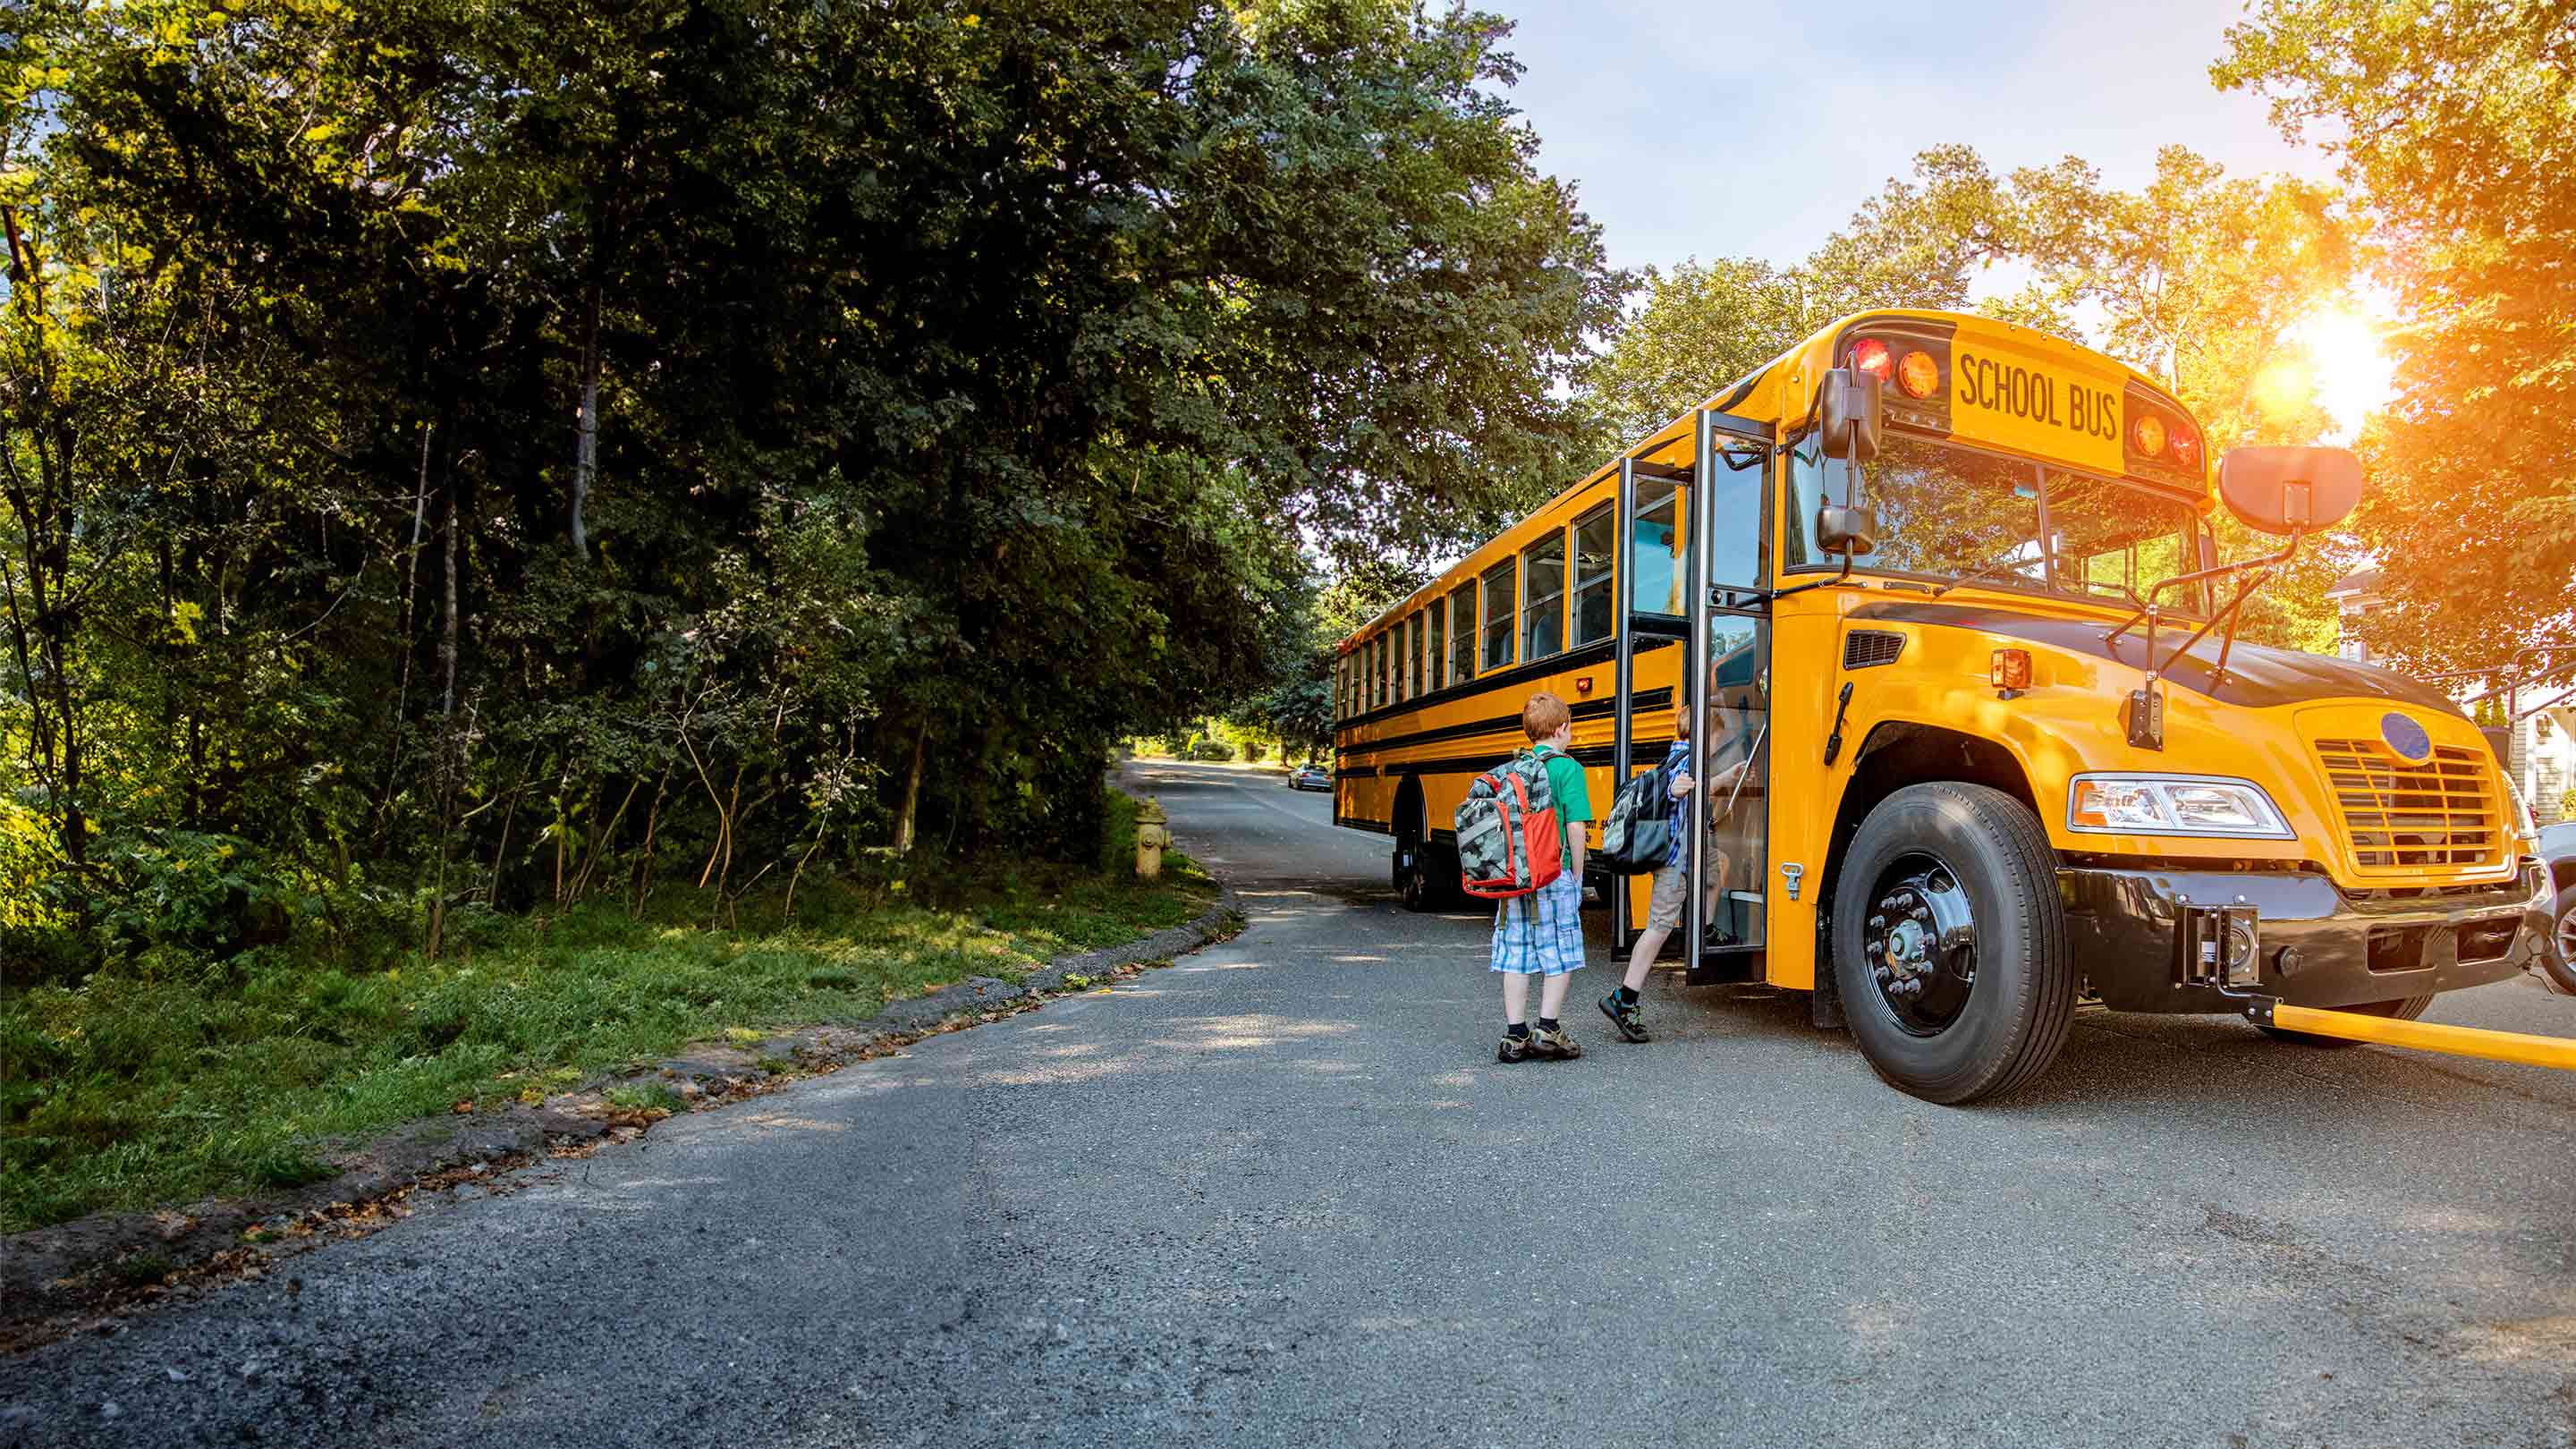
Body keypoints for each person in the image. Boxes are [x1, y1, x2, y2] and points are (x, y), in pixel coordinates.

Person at [1597, 706, 1748, 1044]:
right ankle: (1625, 998)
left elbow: (1696, 787)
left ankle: (1706, 929)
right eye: (1717, 737)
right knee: (1658, 928)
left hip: (1690, 852)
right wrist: (1678, 790)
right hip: (1675, 861)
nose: (1718, 744)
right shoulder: (1687, 764)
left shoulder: (1676, 757)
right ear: (1704, 735)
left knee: (1715, 868)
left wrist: (1724, 778)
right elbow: (1677, 788)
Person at [1492, 692, 1595, 1063]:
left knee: (1516, 952)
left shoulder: (1513, 767)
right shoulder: (1568, 768)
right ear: (1562, 727)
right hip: (1553, 873)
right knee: (1560, 951)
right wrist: (1578, 875)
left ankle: (1514, 1034)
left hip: (1515, 876)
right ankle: (1547, 1027)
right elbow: (1576, 826)